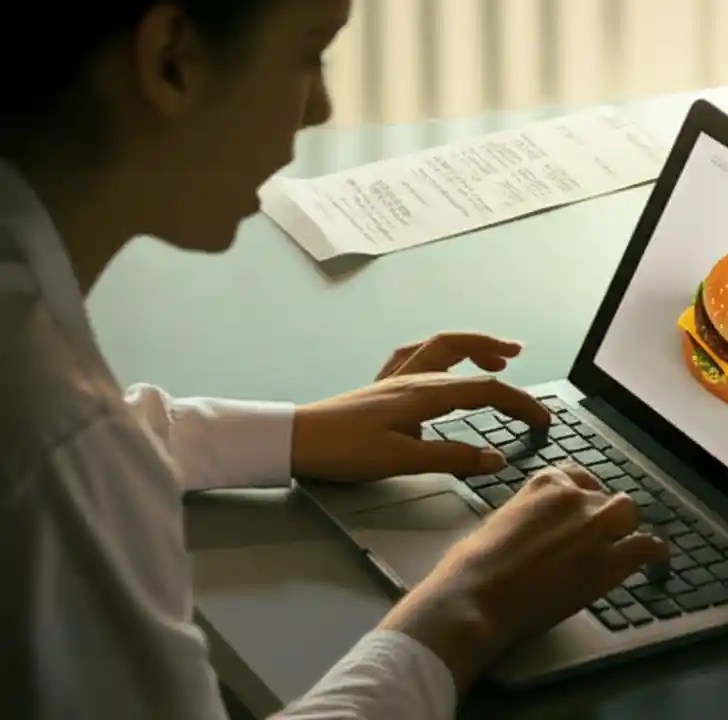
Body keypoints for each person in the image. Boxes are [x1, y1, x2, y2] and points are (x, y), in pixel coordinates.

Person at [0, 1, 668, 717]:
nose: (321, 108)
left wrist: (292, 433)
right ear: (171, 62)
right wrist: (467, 607)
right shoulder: (55, 440)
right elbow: (63, 455)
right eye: (311, 52)